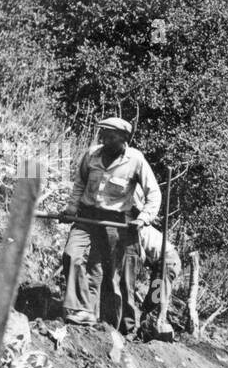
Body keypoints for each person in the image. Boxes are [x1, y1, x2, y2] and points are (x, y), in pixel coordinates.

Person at [62, 117, 162, 333]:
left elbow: (154, 193)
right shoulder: (92, 154)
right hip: (88, 217)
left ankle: (139, 321)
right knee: (73, 255)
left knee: (124, 279)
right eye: (103, 133)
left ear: (124, 138)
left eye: (110, 134)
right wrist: (71, 208)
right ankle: (85, 311)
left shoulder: (135, 160)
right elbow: (80, 182)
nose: (104, 138)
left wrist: (143, 218)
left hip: (121, 227)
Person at [134, 223, 181, 331]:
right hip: (161, 263)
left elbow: (141, 256)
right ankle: (147, 327)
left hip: (167, 260)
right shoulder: (141, 225)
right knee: (153, 297)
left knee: (160, 294)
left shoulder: (137, 228)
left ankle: (159, 324)